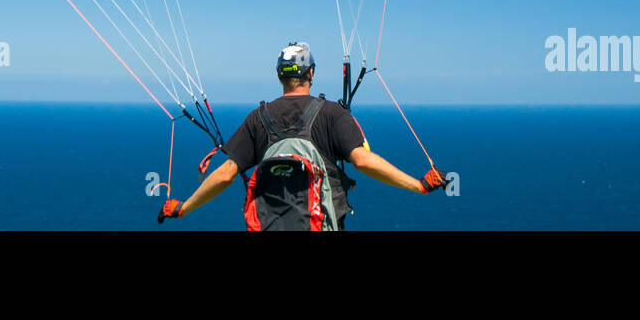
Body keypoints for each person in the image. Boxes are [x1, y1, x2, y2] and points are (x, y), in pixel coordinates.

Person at [159, 42, 446, 229]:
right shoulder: (332, 114)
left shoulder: (257, 119)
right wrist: (418, 185)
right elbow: (363, 161)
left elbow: (224, 175)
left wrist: (183, 207)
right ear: (311, 74)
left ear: (279, 76)